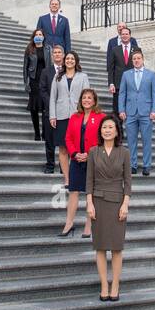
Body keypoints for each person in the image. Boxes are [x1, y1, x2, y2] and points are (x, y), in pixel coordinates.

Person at [86, 115, 131, 302]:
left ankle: (116, 284)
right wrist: (89, 203)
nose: (107, 130)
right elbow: (89, 180)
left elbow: (127, 181)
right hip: (98, 201)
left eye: (110, 127)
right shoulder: (93, 152)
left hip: (117, 202)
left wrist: (125, 204)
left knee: (117, 248)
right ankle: (104, 284)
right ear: (100, 131)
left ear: (117, 131)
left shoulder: (124, 152)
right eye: (104, 127)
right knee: (100, 247)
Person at [62, 87, 101, 238]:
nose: (86, 100)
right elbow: (68, 138)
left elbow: (102, 138)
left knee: (90, 193)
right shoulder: (74, 117)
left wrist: (89, 154)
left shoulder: (100, 117)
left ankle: (88, 225)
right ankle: (69, 223)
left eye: (89, 98)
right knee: (73, 191)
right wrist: (74, 153)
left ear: (94, 101)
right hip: (76, 159)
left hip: (93, 160)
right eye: (84, 98)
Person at [49, 51, 88, 186]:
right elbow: (53, 97)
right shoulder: (58, 76)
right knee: (63, 148)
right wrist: (52, 115)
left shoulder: (83, 77)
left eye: (72, 59)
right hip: (61, 116)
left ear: (76, 61)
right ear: (64, 61)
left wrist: (86, 115)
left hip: (77, 116)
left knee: (77, 147)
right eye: (68, 59)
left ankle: (77, 176)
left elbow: (87, 97)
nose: (69, 61)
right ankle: (67, 178)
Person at [118, 49, 155, 177]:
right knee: (131, 141)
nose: (136, 60)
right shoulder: (126, 74)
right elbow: (122, 93)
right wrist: (121, 109)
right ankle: (132, 165)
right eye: (134, 59)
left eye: (138, 58)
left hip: (146, 112)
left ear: (143, 59)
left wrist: (154, 110)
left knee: (147, 140)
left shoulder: (151, 74)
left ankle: (147, 165)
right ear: (132, 60)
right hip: (130, 112)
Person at [38, 43, 66, 173]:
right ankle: (50, 165)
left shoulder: (68, 71)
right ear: (52, 55)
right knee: (49, 139)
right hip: (49, 110)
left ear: (63, 55)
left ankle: (63, 166)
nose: (57, 55)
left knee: (64, 140)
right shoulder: (46, 71)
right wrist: (51, 102)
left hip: (65, 112)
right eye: (54, 52)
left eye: (59, 52)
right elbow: (42, 89)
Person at [23, 28, 49, 142]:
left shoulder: (48, 48)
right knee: (34, 108)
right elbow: (25, 67)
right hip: (33, 80)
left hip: (45, 80)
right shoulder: (29, 49)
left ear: (43, 36)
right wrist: (26, 82)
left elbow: (51, 64)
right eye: (36, 34)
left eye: (40, 34)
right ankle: (37, 133)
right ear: (33, 36)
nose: (38, 36)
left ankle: (44, 133)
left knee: (44, 107)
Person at [105, 23, 139, 98]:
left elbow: (140, 64)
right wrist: (111, 83)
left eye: (126, 34)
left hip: (133, 82)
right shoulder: (114, 49)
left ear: (130, 35)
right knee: (117, 107)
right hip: (118, 83)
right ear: (120, 35)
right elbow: (110, 66)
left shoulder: (136, 48)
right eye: (123, 34)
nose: (124, 36)